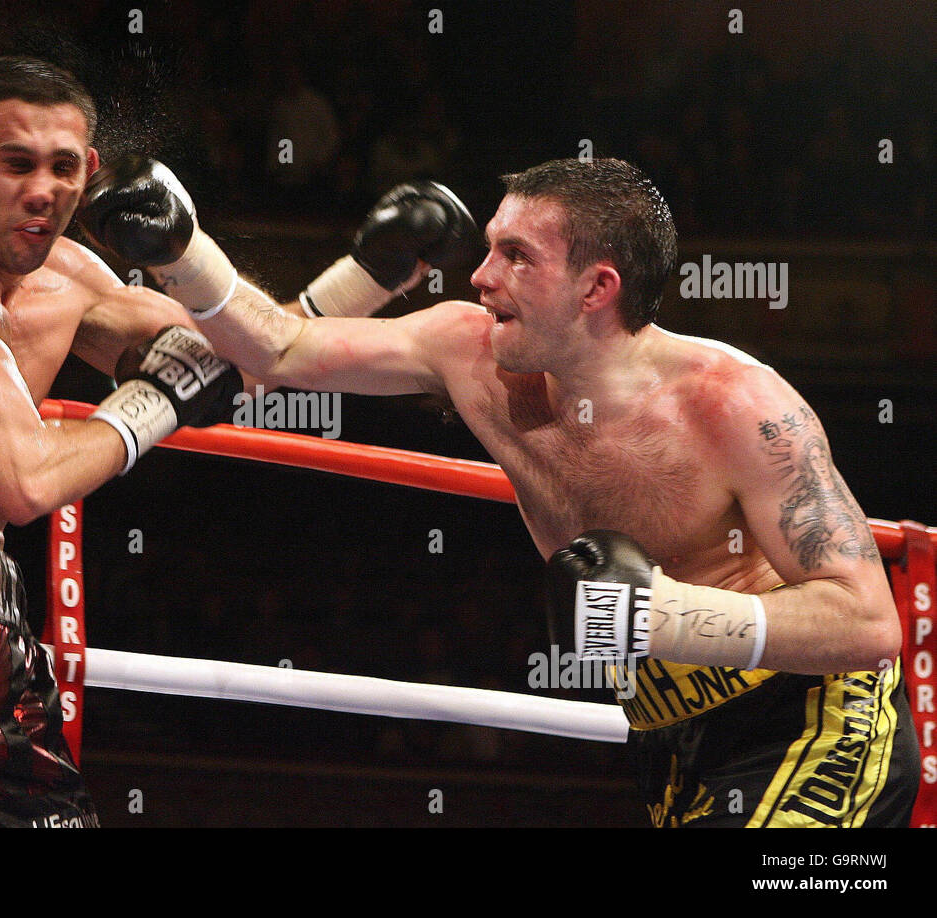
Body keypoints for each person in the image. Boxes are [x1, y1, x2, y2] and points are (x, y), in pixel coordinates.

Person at [0, 57, 478, 828]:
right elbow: (22, 483)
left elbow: (243, 360)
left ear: (89, 171)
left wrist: (376, 272)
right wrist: (156, 402)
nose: (42, 190)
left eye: (62, 168)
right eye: (15, 163)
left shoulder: (73, 279)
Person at [80, 155, 920, 827]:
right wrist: (183, 253)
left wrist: (659, 617)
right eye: (487, 247)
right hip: (667, 731)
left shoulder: (736, 405)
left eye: (515, 257)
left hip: (812, 720)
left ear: (598, 288)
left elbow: (870, 622)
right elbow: (283, 352)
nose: (479, 277)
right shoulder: (467, 352)